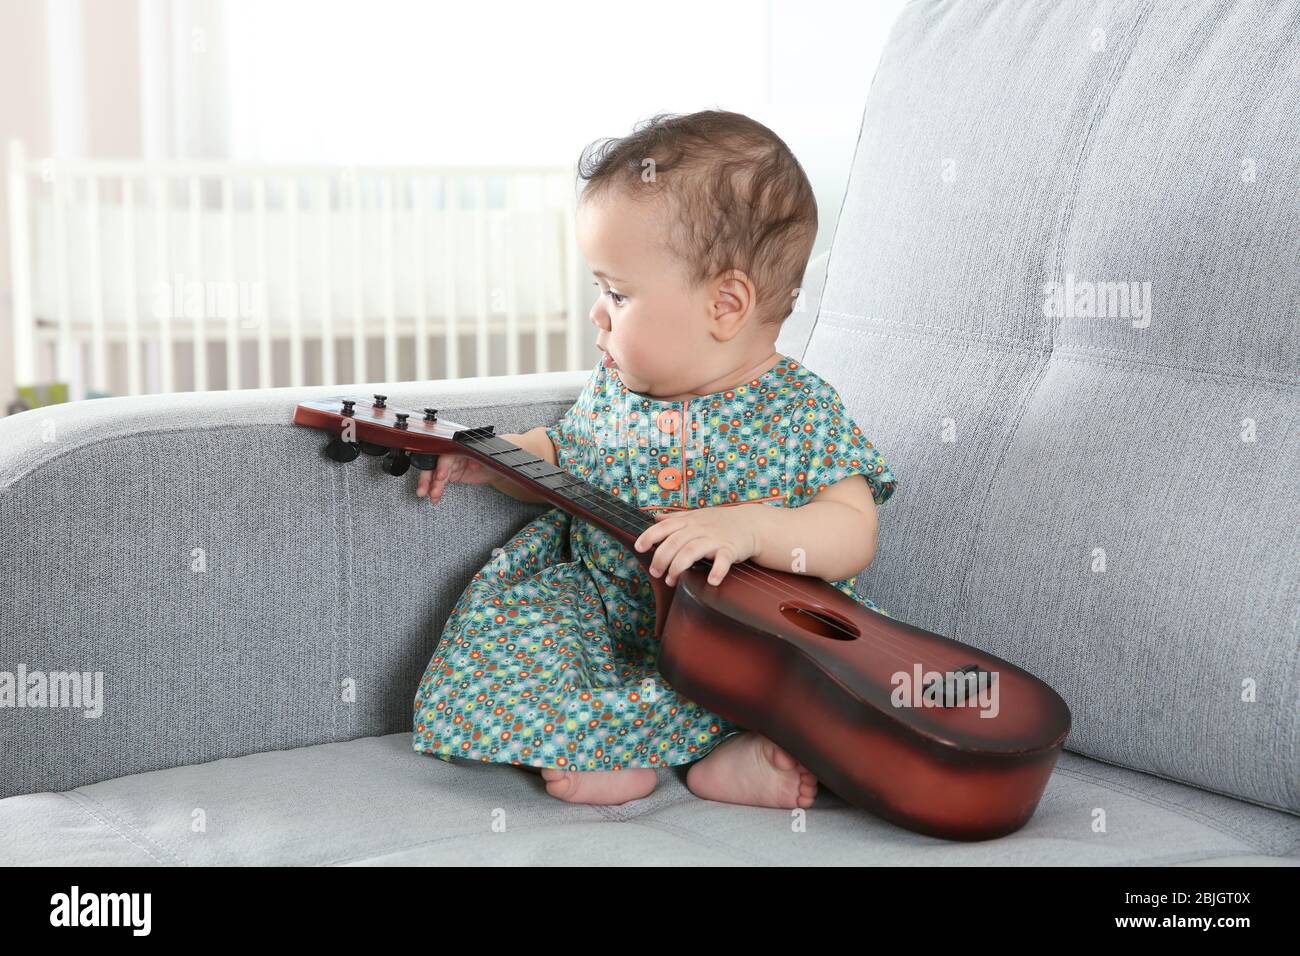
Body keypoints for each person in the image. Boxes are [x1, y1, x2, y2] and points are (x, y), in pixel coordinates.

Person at [413, 110, 897, 808]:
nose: (596, 314)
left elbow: (854, 530)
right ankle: (605, 744)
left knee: (791, 682)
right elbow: (563, 456)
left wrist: (751, 530)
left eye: (617, 292)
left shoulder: (800, 408)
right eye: (597, 290)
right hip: (606, 614)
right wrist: (492, 462)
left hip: (735, 640)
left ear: (725, 305)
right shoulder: (618, 391)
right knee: (522, 627)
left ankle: (728, 761)